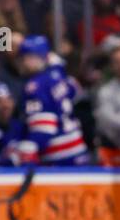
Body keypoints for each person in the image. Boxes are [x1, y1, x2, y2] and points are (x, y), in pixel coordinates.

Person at [16, 34, 88, 165]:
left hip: (59, 157)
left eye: (24, 57)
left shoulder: (35, 86)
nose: (21, 63)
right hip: (78, 149)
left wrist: (26, 148)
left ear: (35, 57)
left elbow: (44, 129)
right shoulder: (59, 74)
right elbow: (75, 90)